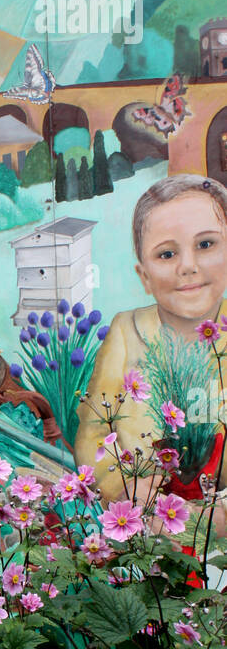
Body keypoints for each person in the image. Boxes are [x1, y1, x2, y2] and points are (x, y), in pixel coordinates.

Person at [75, 175, 227, 528]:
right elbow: (92, 431)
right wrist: (124, 487)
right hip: (148, 519)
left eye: (205, 245)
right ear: (144, 275)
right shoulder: (127, 332)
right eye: (167, 253)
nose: (187, 266)